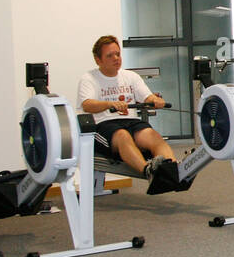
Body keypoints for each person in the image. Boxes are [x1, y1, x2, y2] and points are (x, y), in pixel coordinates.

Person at [77, 35, 181, 190]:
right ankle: (149, 173)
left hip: (130, 123)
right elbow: (87, 104)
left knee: (152, 135)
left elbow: (147, 96)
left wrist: (155, 100)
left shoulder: (131, 76)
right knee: (122, 135)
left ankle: (173, 173)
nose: (116, 58)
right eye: (110, 55)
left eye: (118, 54)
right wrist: (110, 104)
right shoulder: (89, 78)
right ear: (98, 60)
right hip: (103, 126)